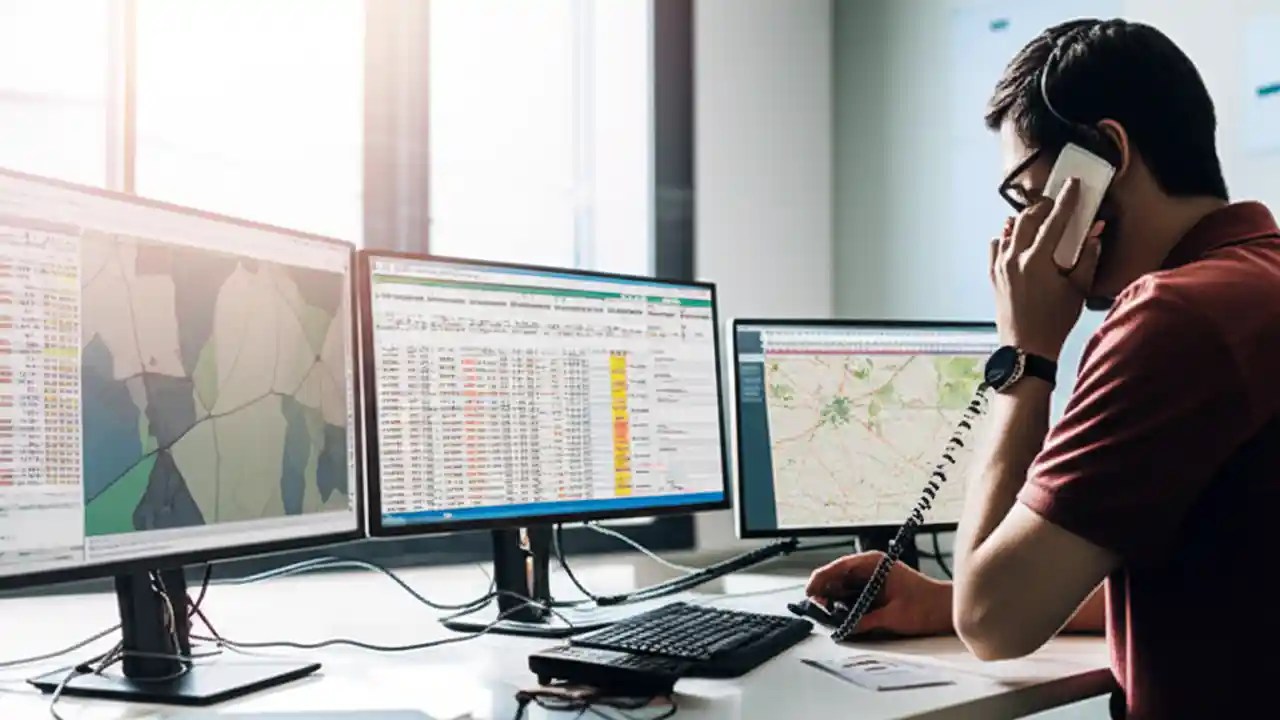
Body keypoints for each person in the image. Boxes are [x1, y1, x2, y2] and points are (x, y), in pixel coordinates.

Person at [807, 18, 1280, 720]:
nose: (1019, 231)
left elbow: (994, 624)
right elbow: (1214, 572)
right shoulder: (1256, 284)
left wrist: (1027, 356)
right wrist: (941, 599)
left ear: (1105, 156)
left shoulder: (1172, 320)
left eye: (1028, 195)